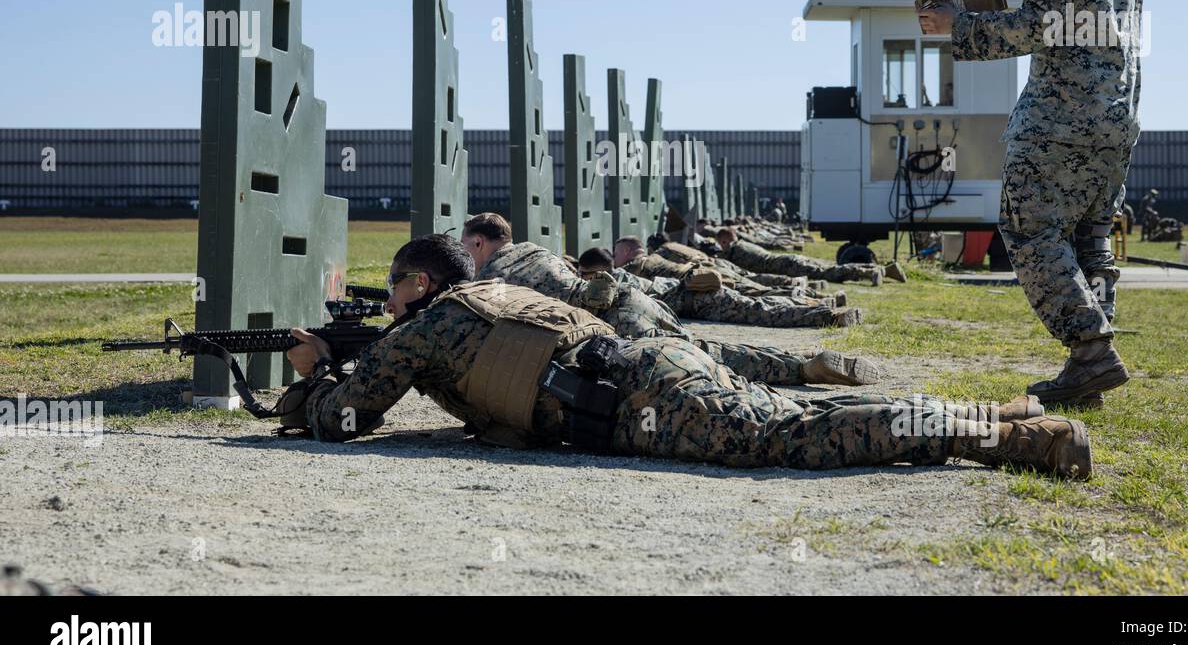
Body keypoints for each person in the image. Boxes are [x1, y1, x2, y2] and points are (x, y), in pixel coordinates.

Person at [287, 234, 1092, 478]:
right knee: (798, 415)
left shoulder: (426, 327)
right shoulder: (487, 299)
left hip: (639, 404)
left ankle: (1010, 441)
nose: (386, 307)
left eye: (391, 293)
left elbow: (347, 420)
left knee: (796, 442)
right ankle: (992, 416)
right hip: (650, 370)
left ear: (418, 283)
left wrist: (312, 374)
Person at [917, 0, 1179, 406]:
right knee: (1092, 241)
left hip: (1059, 123)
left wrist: (956, 26)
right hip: (1117, 122)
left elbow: (1038, 25)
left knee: (1031, 230)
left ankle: (1090, 352)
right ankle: (1088, 372)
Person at [458, 213, 870, 385]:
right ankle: (799, 363)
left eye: (467, 248)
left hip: (614, 322)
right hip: (634, 300)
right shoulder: (535, 251)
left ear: (480, 242)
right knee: (704, 347)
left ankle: (800, 370)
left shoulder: (494, 274)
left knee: (703, 363)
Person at [613, 237, 862, 329]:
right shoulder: (662, 253)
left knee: (762, 305)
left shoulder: (634, 268)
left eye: (616, 254)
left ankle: (828, 312)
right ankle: (821, 301)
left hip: (699, 289)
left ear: (626, 252)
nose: (615, 259)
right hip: (708, 274)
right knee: (761, 293)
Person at [715, 226, 906, 285]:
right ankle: (885, 270)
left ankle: (874, 272)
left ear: (724, 241)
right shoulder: (742, 244)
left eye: (720, 243)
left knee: (829, 272)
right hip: (787, 262)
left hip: (787, 266)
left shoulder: (733, 249)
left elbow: (723, 259)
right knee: (826, 269)